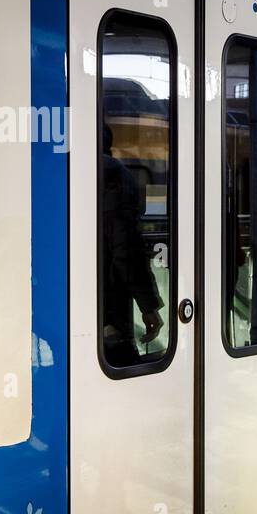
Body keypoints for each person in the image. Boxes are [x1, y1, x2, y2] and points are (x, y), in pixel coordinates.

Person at [99, 123, 164, 367]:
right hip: (110, 306)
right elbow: (125, 249)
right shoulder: (115, 175)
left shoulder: (61, 171)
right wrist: (148, 306)